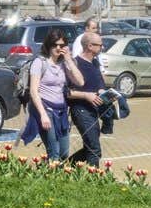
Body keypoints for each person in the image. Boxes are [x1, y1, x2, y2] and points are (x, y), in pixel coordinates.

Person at [17, 28, 85, 161]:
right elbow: (34, 91)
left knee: (64, 153)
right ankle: (52, 180)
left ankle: (44, 171)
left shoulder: (64, 64)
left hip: (61, 111)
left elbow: (80, 82)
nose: (58, 48)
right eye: (55, 45)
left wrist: (69, 59)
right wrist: (43, 115)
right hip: (45, 109)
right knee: (54, 153)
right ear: (48, 45)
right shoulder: (39, 62)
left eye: (62, 45)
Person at [67, 31, 107, 165]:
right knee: (94, 149)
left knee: (89, 147)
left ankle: (65, 168)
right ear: (90, 46)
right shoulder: (75, 64)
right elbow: (67, 92)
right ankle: (93, 181)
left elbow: (100, 83)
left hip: (94, 110)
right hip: (81, 110)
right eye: (100, 45)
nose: (102, 47)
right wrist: (86, 95)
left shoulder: (95, 63)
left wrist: (103, 91)